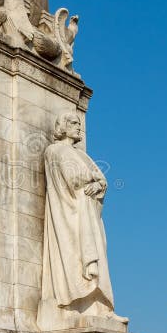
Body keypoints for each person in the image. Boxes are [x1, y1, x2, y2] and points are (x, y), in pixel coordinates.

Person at [42, 112, 124, 320]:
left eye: (79, 123)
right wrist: (95, 180)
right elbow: (75, 179)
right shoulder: (55, 151)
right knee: (78, 256)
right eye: (74, 123)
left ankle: (100, 307)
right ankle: (78, 306)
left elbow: (100, 181)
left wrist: (97, 183)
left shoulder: (80, 154)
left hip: (88, 211)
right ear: (62, 127)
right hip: (73, 212)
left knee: (96, 253)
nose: (79, 127)